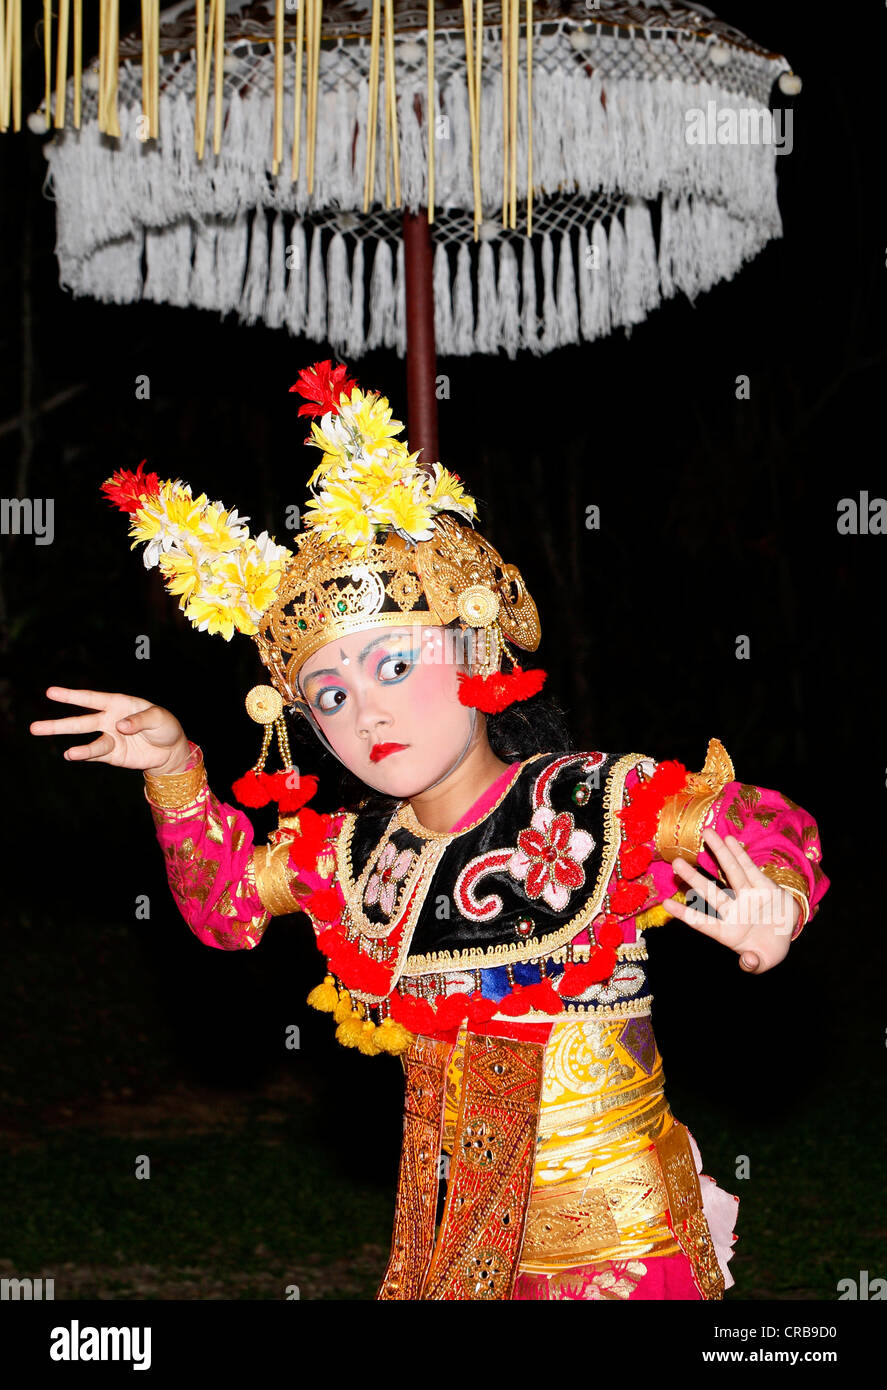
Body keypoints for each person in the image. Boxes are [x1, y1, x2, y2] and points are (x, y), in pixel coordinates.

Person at [30, 359, 829, 1301]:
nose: (367, 714)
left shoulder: (592, 805)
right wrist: (172, 770)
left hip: (622, 1255)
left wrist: (773, 902)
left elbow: (757, 818)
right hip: (449, 1262)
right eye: (330, 695)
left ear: (475, 647)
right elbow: (226, 908)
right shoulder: (349, 855)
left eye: (394, 666)